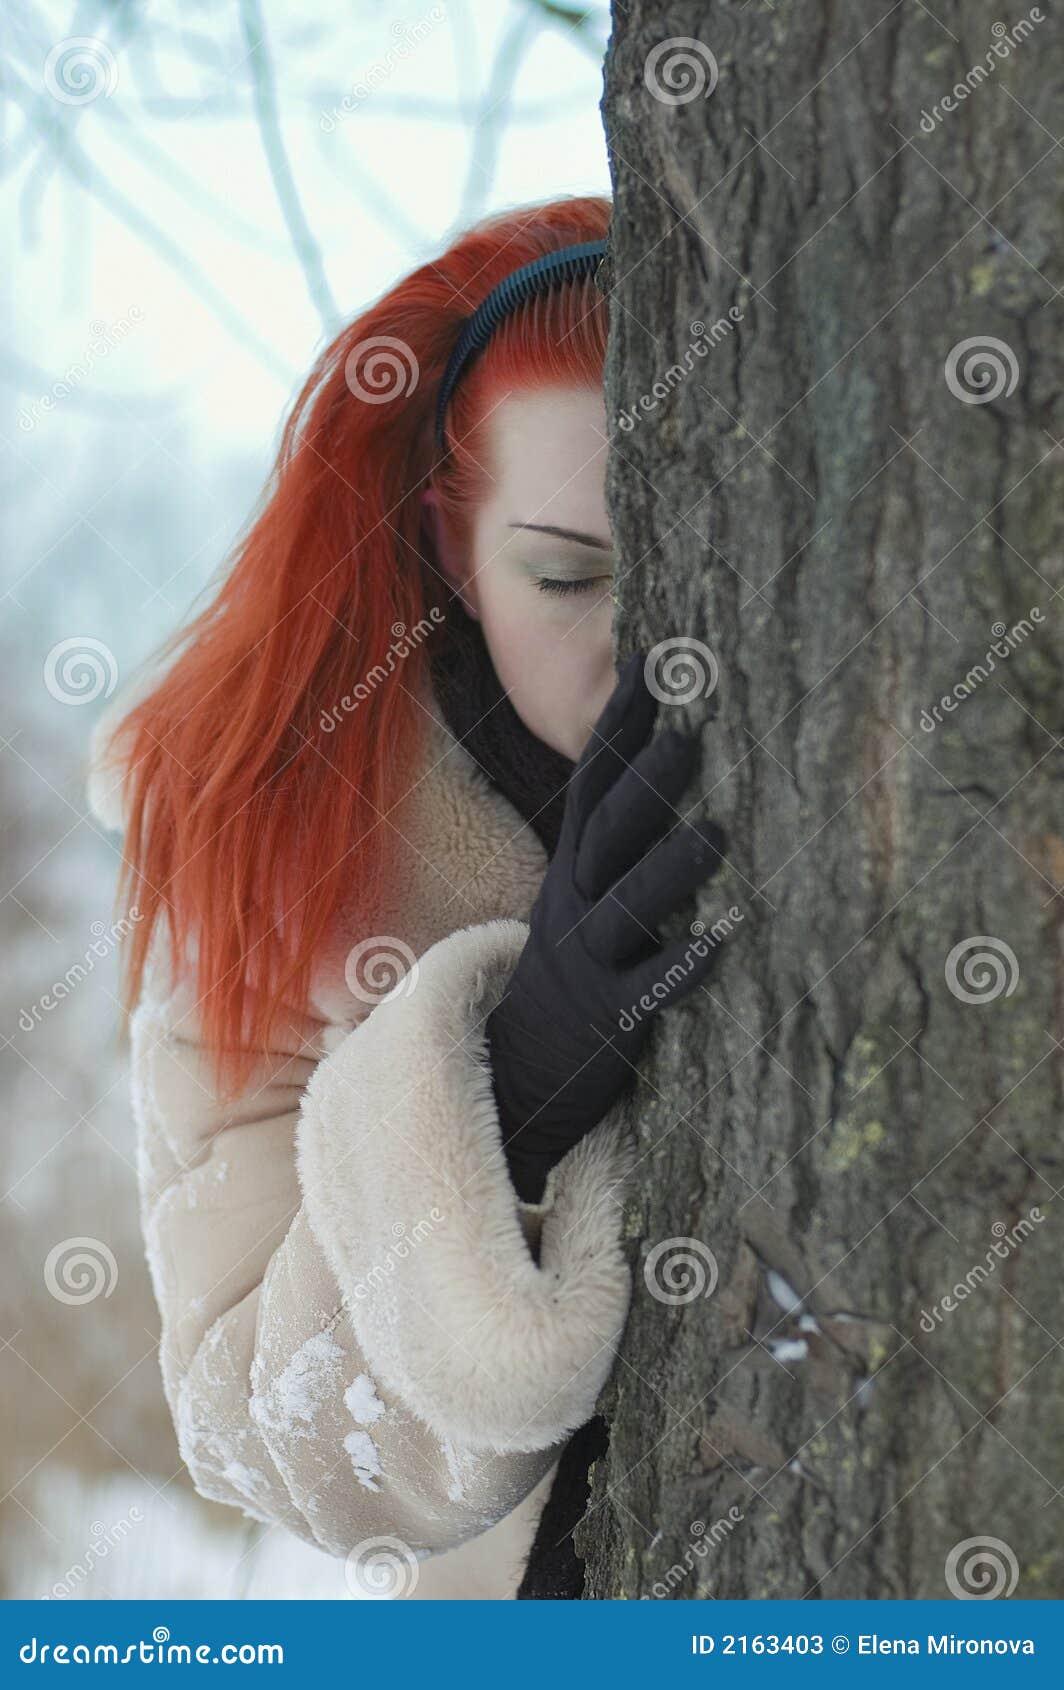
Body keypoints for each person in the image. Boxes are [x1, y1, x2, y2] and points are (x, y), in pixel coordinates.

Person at [84, 193, 730, 1600]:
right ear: (450, 539)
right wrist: (499, 1093)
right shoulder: (275, 845)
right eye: (567, 573)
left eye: (698, 576)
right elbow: (253, 1426)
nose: (640, 656)